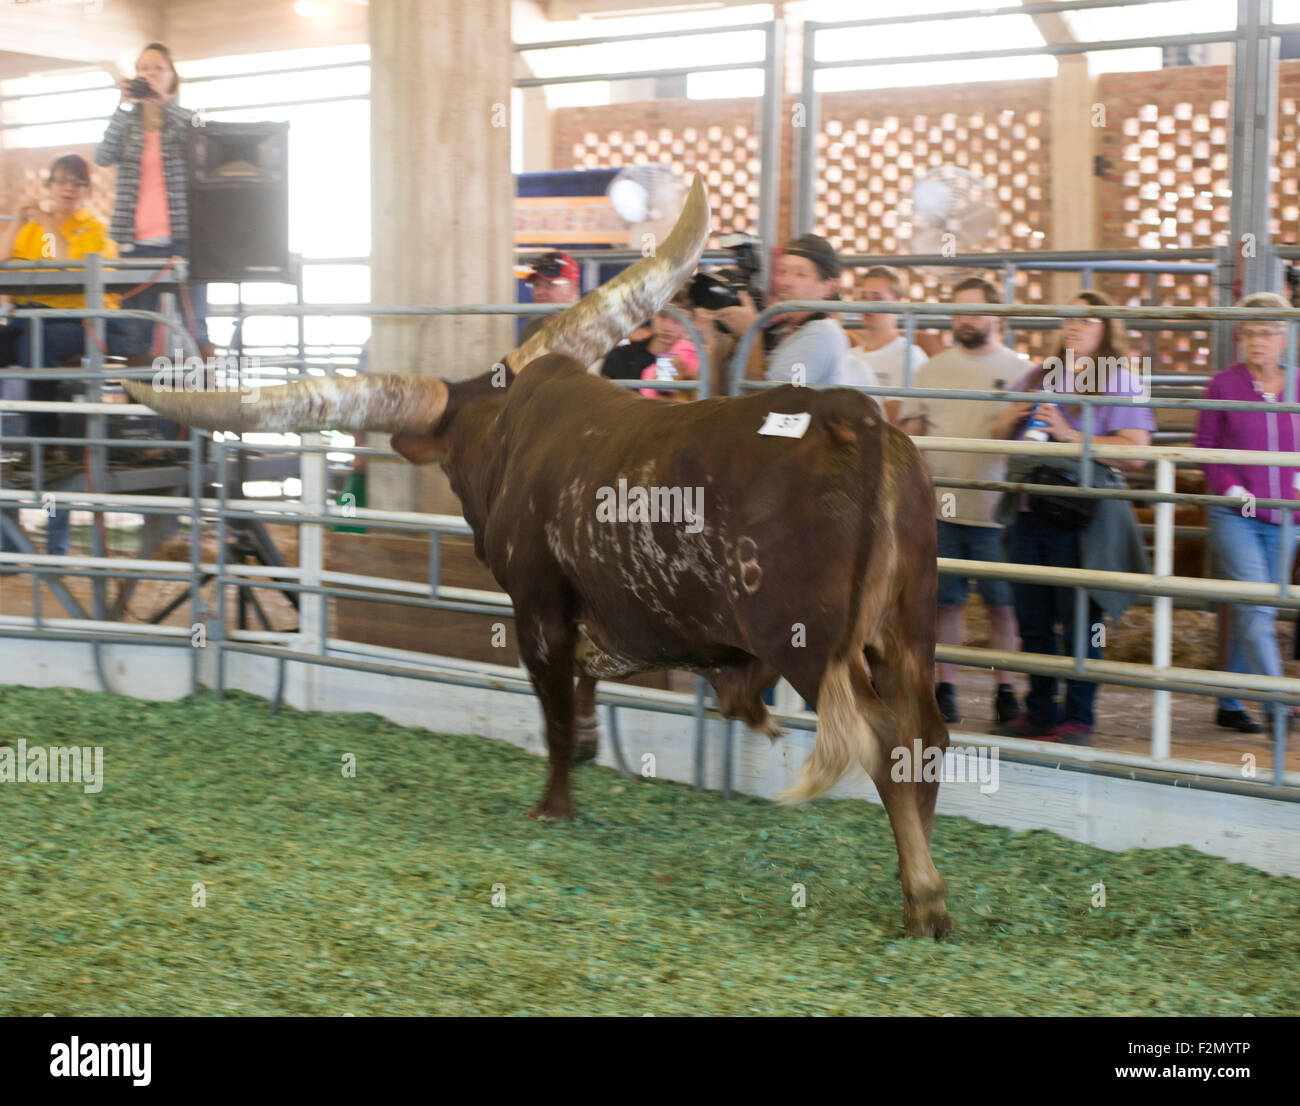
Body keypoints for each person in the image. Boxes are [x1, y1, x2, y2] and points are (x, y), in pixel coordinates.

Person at [989, 291, 1156, 743]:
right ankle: (1041, 709)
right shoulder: (1040, 373)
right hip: (1030, 509)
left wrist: (1069, 434)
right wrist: (1015, 415)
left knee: (1082, 619)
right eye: (1070, 318)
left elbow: (1136, 451)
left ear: (1105, 329)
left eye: (1087, 319)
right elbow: (997, 432)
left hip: (1083, 517)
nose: (1075, 326)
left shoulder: (1118, 378)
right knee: (1033, 618)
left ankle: (1079, 716)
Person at [899, 277, 1029, 725]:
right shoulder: (932, 371)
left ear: (996, 315)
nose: (965, 320)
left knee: (1002, 605)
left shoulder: (1020, 371)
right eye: (958, 312)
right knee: (945, 603)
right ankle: (945, 685)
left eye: (973, 311)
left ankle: (1006, 689)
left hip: (996, 510)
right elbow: (909, 431)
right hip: (942, 508)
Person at [1, 153, 130, 557]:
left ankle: (45, 446)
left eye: (76, 183)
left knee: (33, 345)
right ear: (48, 187)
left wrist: (51, 223)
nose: (67, 189)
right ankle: (46, 448)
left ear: (87, 191)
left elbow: (66, 271)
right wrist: (20, 222)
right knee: (29, 338)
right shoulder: (35, 228)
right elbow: (4, 265)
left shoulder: (95, 230)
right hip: (33, 319)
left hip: (81, 324)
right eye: (59, 181)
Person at [1194, 291, 1300, 734]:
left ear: (1285, 338)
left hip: (1288, 515)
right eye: (1252, 332)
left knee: (1255, 608)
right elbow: (1205, 449)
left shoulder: (1298, 383)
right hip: (1236, 512)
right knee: (1258, 604)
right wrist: (1234, 490)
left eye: (1270, 332)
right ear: (1240, 336)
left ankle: (1229, 701)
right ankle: (1279, 704)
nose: (1260, 340)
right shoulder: (1223, 385)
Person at [94, 42, 212, 359]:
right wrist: (122, 106)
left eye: (157, 68)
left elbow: (201, 140)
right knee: (139, 327)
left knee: (194, 323)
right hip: (136, 242)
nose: (149, 74)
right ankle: (140, 402)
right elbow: (102, 156)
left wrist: (164, 104)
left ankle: (202, 398)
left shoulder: (185, 118)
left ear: (172, 77)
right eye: (143, 68)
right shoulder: (127, 123)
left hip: (182, 238)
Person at [717, 233, 852, 388]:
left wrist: (751, 335)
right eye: (783, 271)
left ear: (828, 287)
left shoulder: (821, 333)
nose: (785, 282)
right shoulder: (781, 331)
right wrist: (715, 345)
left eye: (800, 274)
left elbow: (775, 407)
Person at [846, 265, 929, 423]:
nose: (868, 304)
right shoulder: (849, 355)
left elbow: (891, 421)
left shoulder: (909, 356)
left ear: (898, 303)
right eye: (863, 296)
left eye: (877, 297)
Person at [602, 288, 699, 400]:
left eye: (678, 320)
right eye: (663, 316)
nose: (668, 327)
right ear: (653, 313)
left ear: (692, 321)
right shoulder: (620, 357)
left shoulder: (698, 365)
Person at [519, 251, 580, 345]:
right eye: (536, 285)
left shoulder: (590, 328)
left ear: (572, 288)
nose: (538, 292)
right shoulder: (530, 329)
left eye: (549, 285)